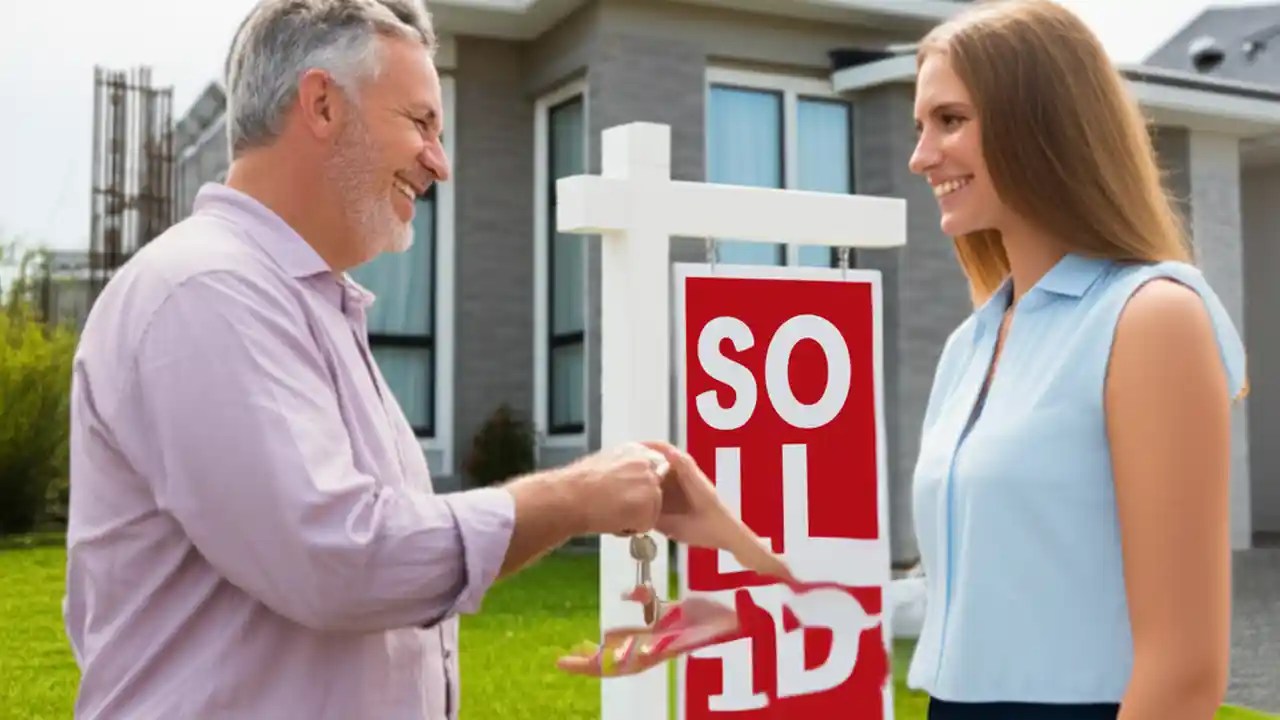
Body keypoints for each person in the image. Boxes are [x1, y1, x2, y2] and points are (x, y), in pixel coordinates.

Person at [62, 1, 786, 718]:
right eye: (421, 123)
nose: (440, 162)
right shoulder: (207, 291)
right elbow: (337, 561)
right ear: (321, 105)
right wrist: (576, 498)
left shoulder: (297, 303)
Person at [905, 2, 1247, 719]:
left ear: (1040, 123)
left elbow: (1183, 675)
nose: (921, 155)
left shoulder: (1150, 319)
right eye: (920, 127)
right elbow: (957, 594)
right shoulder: (971, 345)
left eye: (950, 120)